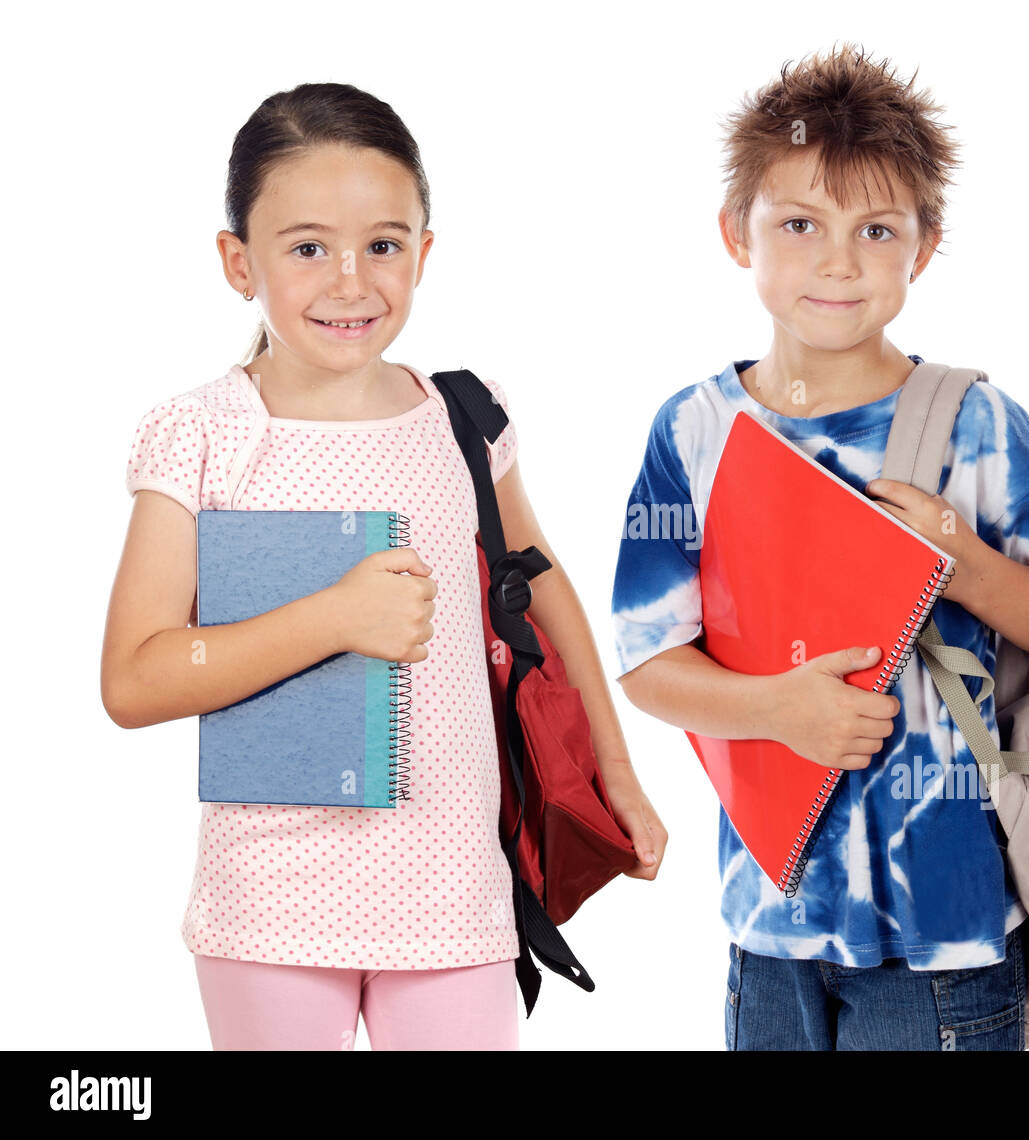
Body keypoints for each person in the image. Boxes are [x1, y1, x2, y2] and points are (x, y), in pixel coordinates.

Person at [100, 81, 666, 1051]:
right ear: (239, 262)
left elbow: (536, 579)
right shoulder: (202, 433)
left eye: (384, 244)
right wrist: (336, 619)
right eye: (308, 246)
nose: (352, 280)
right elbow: (136, 677)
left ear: (425, 252)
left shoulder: (461, 414)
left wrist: (617, 770)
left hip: (454, 889)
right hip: (270, 904)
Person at [611, 45, 1029, 1051]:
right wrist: (776, 712)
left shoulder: (973, 420)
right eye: (799, 224)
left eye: (876, 229)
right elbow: (648, 661)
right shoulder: (694, 432)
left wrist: (960, 559)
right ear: (736, 235)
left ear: (922, 249)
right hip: (769, 927)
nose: (837, 260)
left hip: (945, 941)